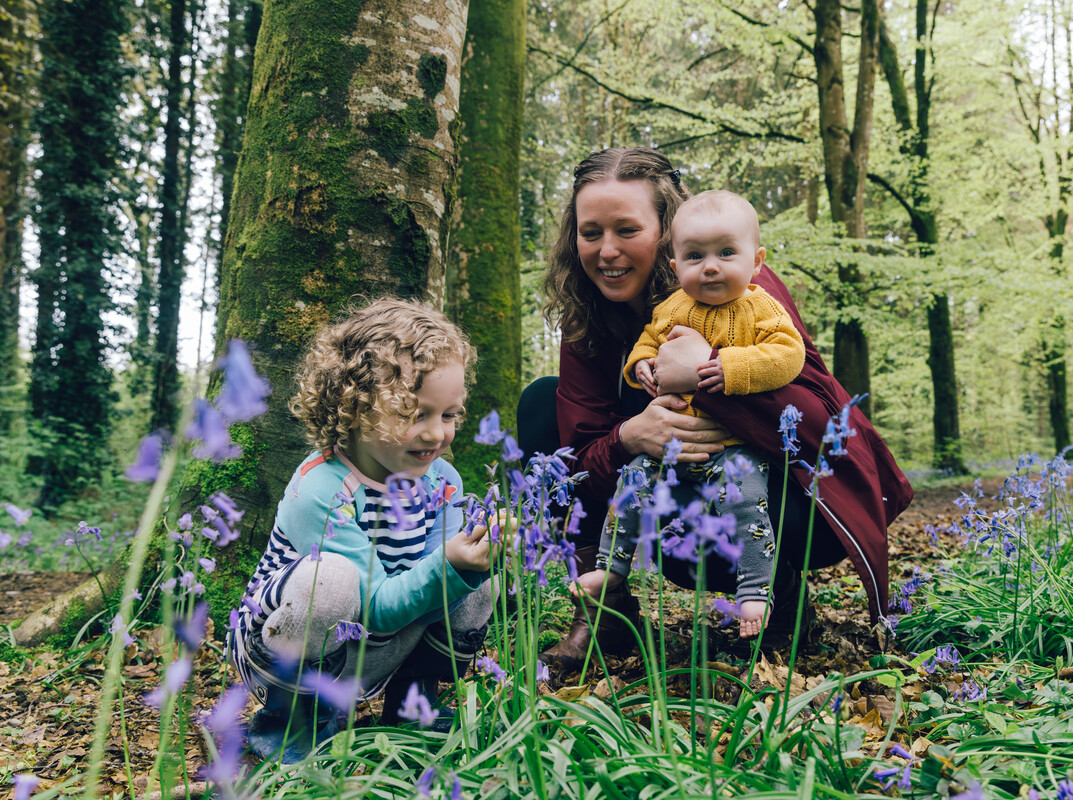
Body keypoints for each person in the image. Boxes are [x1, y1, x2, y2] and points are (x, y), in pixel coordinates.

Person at [519, 147, 913, 673]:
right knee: (542, 401)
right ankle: (603, 613)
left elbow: (822, 425)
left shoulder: (741, 287)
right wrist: (629, 437)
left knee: (731, 498)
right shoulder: (586, 319)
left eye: (627, 230)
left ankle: (778, 591)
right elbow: (579, 469)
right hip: (663, 479)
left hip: (783, 496)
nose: (607, 251)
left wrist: (708, 371)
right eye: (591, 233)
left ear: (665, 233)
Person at [226, 298, 500, 760]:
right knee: (330, 580)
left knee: (475, 579)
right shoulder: (322, 488)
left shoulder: (442, 482)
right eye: (415, 414)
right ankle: (289, 728)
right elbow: (373, 606)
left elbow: (432, 588)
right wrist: (450, 565)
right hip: (289, 652)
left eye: (449, 415)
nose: (437, 434)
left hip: (384, 645)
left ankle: (414, 704)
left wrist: (473, 560)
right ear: (354, 407)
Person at [575, 189, 806, 639]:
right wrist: (640, 363)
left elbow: (787, 354)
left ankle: (755, 590)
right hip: (671, 451)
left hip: (731, 449)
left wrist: (729, 366)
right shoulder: (673, 307)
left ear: (756, 261)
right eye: (695, 256)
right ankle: (611, 569)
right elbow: (650, 338)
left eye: (726, 253)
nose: (711, 266)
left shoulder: (761, 307)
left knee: (745, 503)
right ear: (677, 267)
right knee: (633, 483)